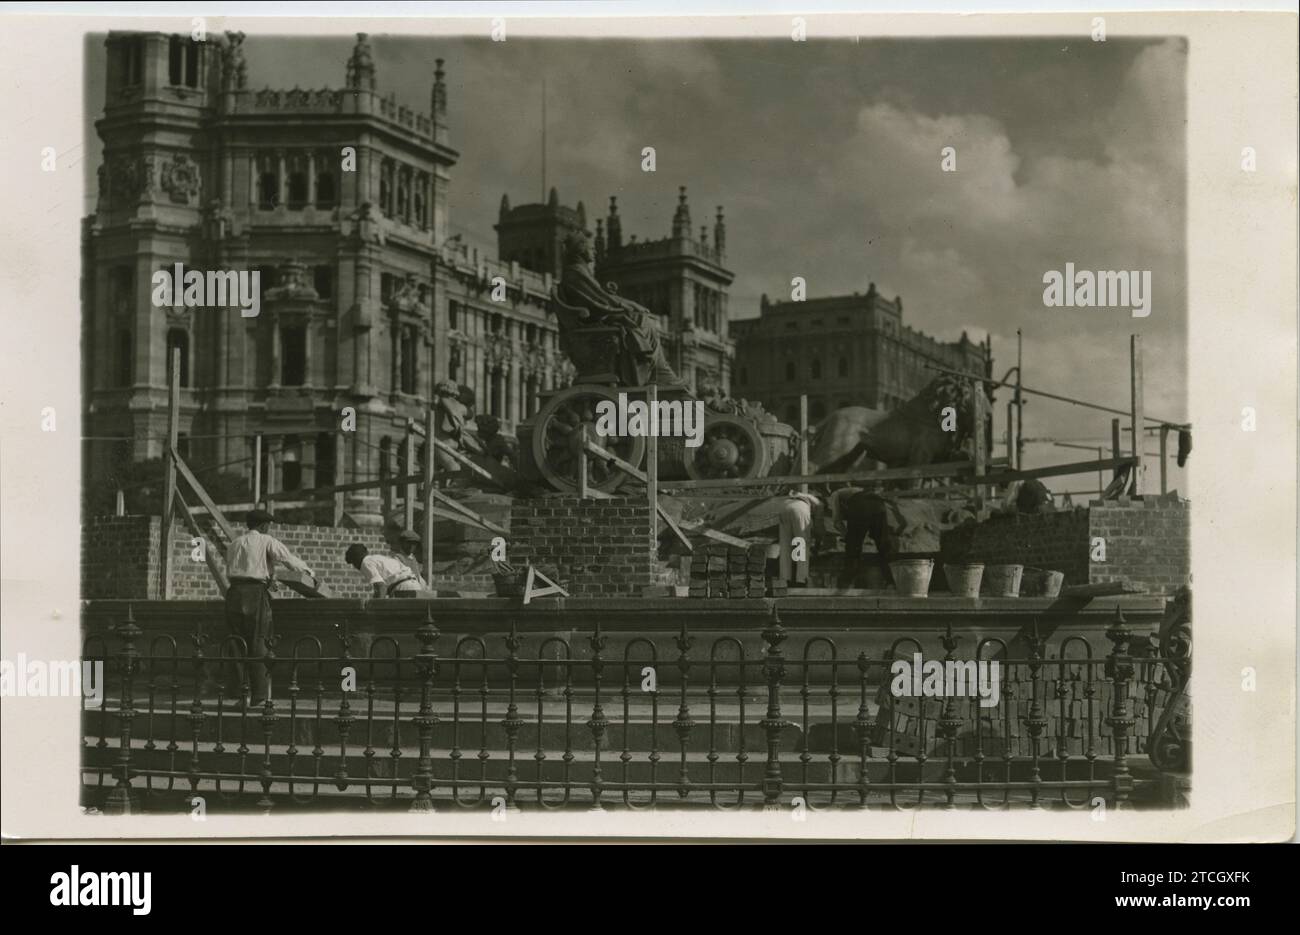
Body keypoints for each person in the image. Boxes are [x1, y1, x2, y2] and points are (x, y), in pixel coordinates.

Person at [557, 231, 686, 389]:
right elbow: (600, 300)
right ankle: (658, 372)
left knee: (644, 320)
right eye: (592, 248)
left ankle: (658, 371)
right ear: (581, 249)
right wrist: (628, 306)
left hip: (597, 322)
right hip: (596, 326)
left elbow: (601, 297)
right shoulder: (576, 272)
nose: (595, 251)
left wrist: (629, 304)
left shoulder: (579, 271)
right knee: (643, 321)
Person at [224, 509, 313, 708]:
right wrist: (309, 572)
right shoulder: (266, 540)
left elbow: (245, 568)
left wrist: (268, 577)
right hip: (255, 595)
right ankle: (260, 695)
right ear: (264, 526)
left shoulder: (235, 543)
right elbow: (289, 560)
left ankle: (242, 695)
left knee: (236, 644)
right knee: (259, 641)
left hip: (234, 593)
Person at [777, 490, 821, 587]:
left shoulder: (805, 497)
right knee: (802, 544)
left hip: (784, 506)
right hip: (800, 508)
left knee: (785, 544)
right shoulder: (819, 503)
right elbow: (818, 523)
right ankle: (801, 579)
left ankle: (784, 579)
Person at [345, 543, 421, 598]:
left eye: (353, 563)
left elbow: (381, 587)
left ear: (355, 560)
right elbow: (380, 589)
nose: (355, 567)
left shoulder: (366, 562)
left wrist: (375, 608)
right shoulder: (378, 558)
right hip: (415, 585)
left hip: (403, 588)